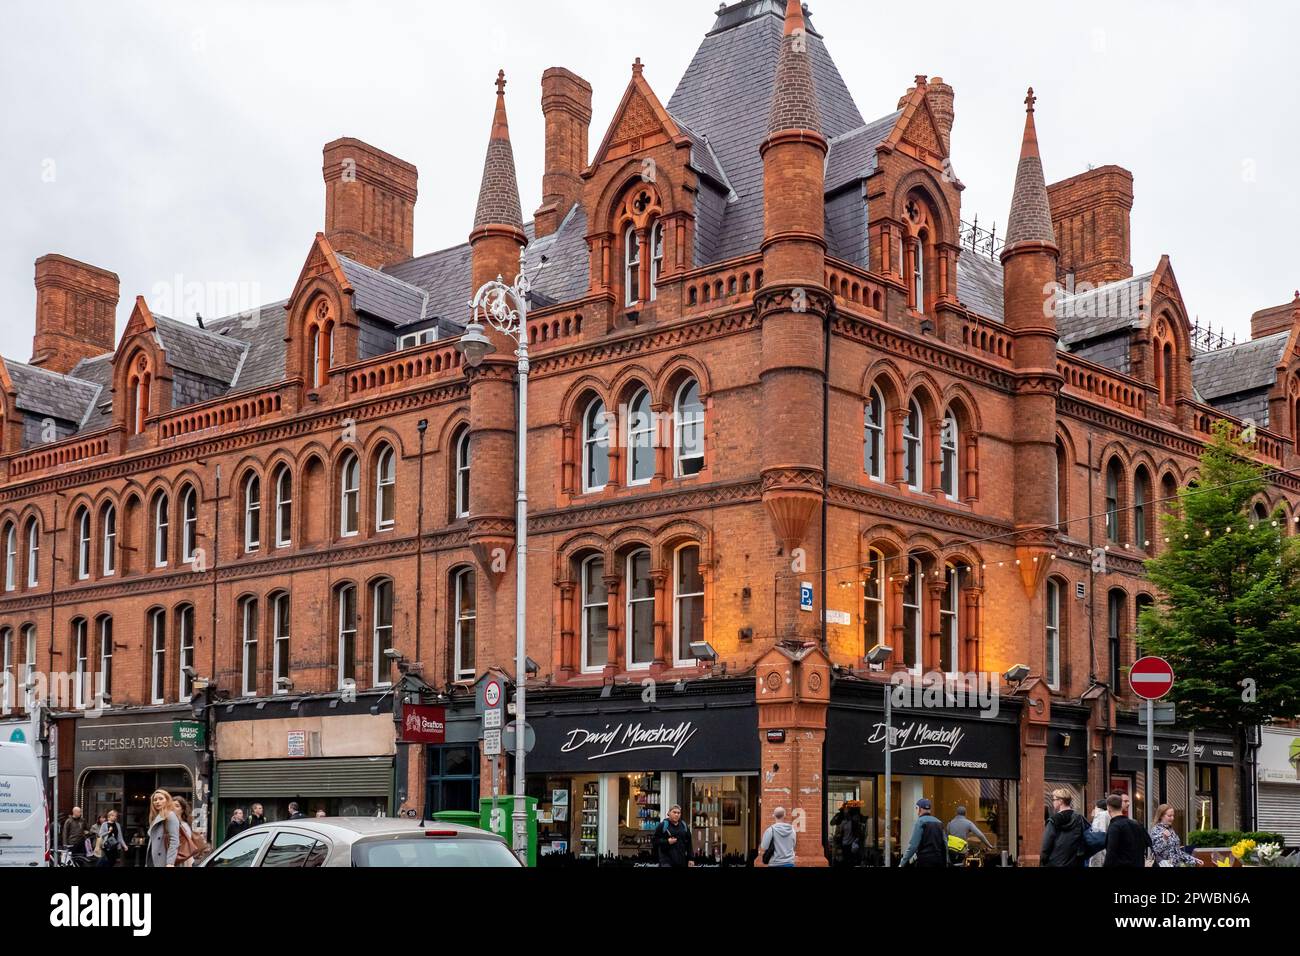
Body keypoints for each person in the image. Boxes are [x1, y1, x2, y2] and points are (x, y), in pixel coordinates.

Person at [1041, 788, 1088, 867]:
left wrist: (1043, 861)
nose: (1053, 802)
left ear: (1060, 801)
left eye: (1054, 799)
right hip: (1075, 862)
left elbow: (1046, 845)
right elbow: (1085, 839)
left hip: (1055, 862)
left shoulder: (1053, 821)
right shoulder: (1079, 818)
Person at [1103, 793, 1151, 867]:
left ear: (1108, 807)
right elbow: (1148, 842)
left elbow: (1111, 853)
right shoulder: (1137, 824)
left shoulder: (1114, 827)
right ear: (1121, 805)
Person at [900, 798, 947, 868]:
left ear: (920, 809)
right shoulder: (939, 822)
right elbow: (945, 844)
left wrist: (902, 862)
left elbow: (913, 846)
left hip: (924, 861)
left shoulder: (920, 822)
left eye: (916, 808)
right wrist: (946, 861)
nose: (916, 811)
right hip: (939, 860)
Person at [146, 789, 180, 868]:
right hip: (154, 858)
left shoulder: (170, 815)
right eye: (155, 800)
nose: (157, 802)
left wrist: (170, 862)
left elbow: (174, 840)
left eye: (161, 799)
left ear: (167, 800)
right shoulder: (155, 817)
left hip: (164, 859)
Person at [835, 801, 864, 867]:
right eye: (845, 810)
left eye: (847, 810)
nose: (846, 812)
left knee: (850, 861)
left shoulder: (853, 822)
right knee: (845, 861)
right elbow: (839, 832)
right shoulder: (843, 822)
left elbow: (858, 833)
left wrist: (856, 841)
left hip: (850, 845)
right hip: (845, 844)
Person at [1089, 797, 1111, 867]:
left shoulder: (1101, 815)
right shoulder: (1107, 815)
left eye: (1095, 807)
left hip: (1099, 853)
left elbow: (1099, 835)